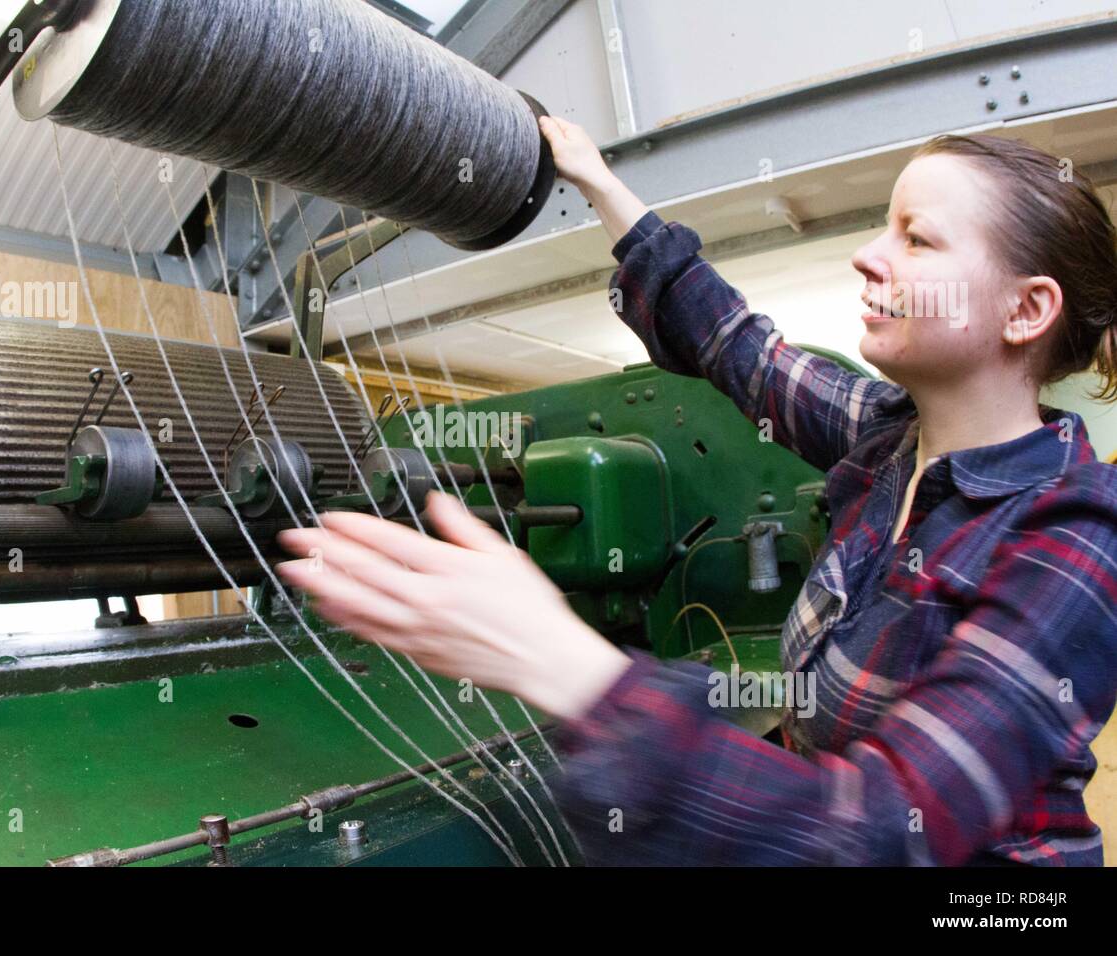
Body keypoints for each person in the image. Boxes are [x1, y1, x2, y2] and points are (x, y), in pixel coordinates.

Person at [276, 116, 1117, 865]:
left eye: (916, 240)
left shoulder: (1078, 539)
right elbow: (737, 349)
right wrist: (600, 184)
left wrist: (564, 661)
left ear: (1026, 310)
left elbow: (881, 831)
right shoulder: (888, 440)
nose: (868, 256)